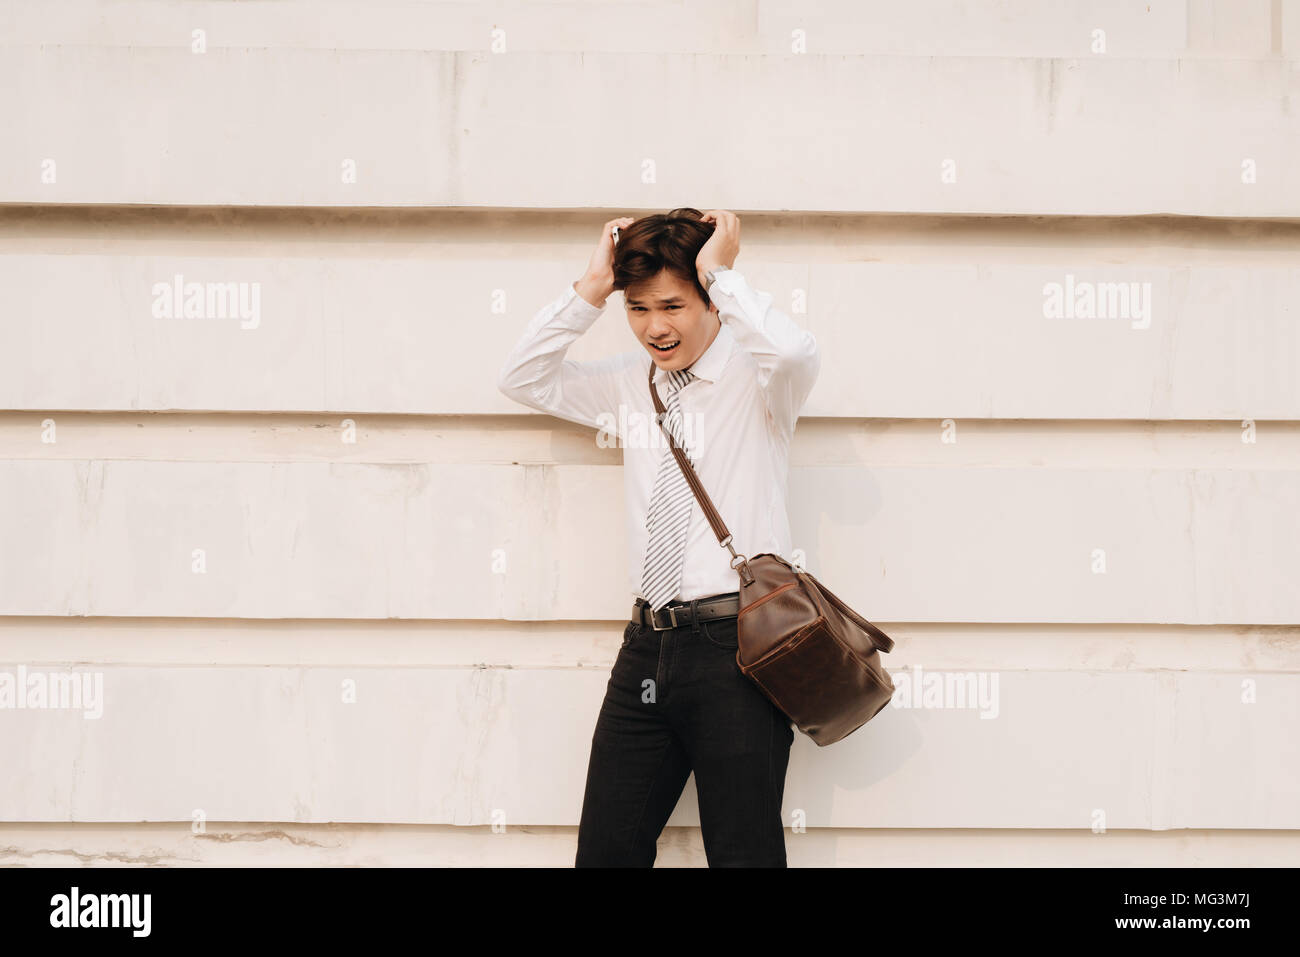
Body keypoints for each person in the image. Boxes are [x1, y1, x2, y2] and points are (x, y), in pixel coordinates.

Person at [496, 207, 820, 867]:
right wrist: (593, 287)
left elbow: (794, 351)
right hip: (646, 645)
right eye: (637, 308)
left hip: (737, 648)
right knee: (606, 852)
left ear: (709, 300)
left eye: (673, 305)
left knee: (745, 854)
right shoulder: (630, 381)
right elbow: (521, 377)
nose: (655, 327)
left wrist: (721, 272)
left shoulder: (759, 378)